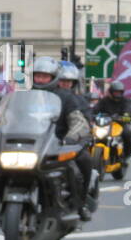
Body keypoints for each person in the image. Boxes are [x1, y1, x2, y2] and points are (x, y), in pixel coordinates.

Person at [30, 57, 94, 220]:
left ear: (53, 78)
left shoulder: (66, 97)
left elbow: (78, 121)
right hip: (31, 145)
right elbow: (11, 117)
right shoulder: (26, 95)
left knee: (82, 163)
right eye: (38, 76)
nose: (41, 79)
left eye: (45, 76)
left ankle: (81, 204)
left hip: (57, 144)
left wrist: (70, 139)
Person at [91, 79, 131, 160]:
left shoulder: (125, 101)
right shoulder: (104, 100)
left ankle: (127, 154)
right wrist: (91, 115)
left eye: (119, 92)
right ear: (111, 92)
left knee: (127, 133)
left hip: (120, 124)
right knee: (90, 134)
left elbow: (130, 110)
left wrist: (126, 116)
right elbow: (95, 109)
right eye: (115, 92)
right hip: (105, 124)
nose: (117, 94)